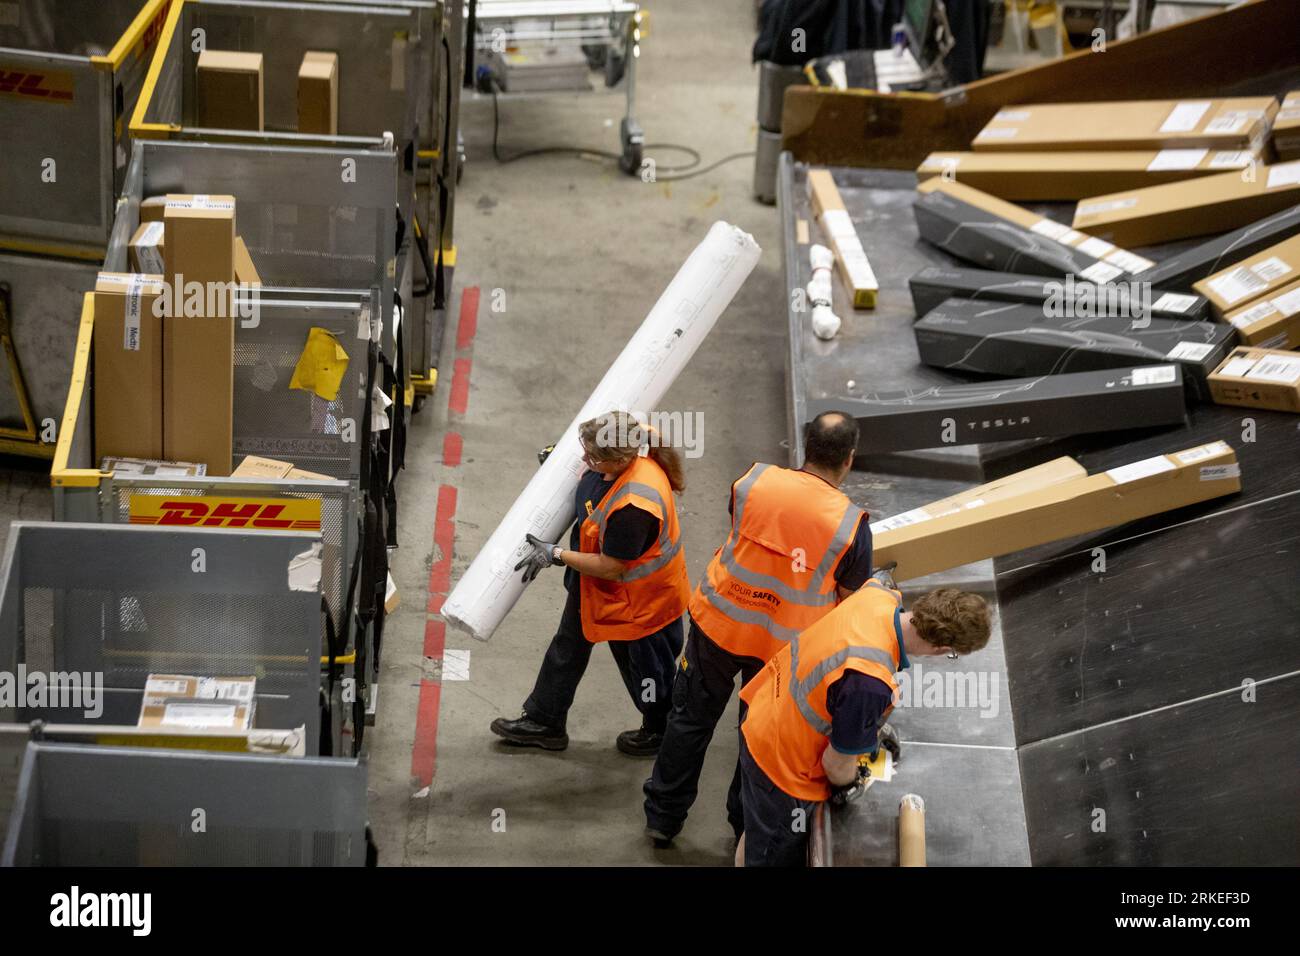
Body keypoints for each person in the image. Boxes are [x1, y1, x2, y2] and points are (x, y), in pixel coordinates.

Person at [643, 411, 873, 845]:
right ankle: (742, 826)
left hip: (719, 625)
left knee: (689, 719)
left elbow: (745, 532)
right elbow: (851, 597)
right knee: (755, 738)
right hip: (782, 651)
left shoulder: (752, 482)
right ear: (850, 460)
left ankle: (663, 816)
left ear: (805, 447)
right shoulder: (851, 526)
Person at [735, 579, 992, 866]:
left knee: (757, 831)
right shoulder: (869, 682)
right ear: (942, 647)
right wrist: (850, 785)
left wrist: (870, 728)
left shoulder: (878, 595)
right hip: (782, 768)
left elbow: (834, 681)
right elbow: (836, 764)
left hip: (763, 715)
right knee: (771, 853)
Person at [490, 411, 690, 756]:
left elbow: (613, 567)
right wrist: (561, 468)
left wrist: (556, 555)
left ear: (620, 460)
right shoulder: (627, 440)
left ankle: (660, 731)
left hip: (637, 602)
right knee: (568, 646)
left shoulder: (634, 506)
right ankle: (545, 720)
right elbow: (594, 482)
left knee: (645, 671)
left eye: (591, 457)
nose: (585, 459)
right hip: (597, 589)